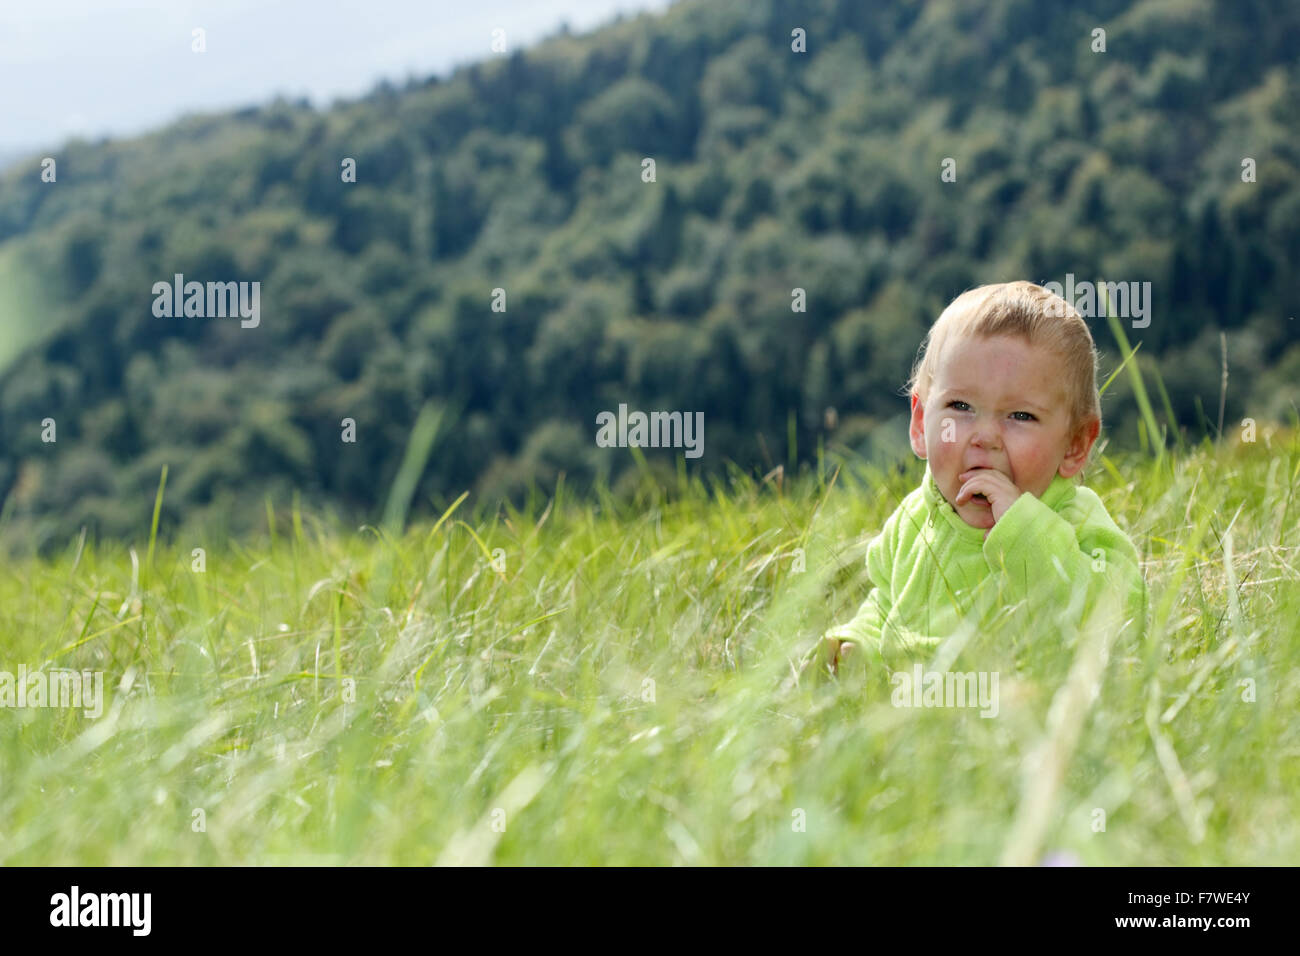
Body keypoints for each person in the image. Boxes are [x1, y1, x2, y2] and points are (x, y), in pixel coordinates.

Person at [825, 281, 1146, 673]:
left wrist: (1023, 532)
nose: (985, 437)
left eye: (1021, 416)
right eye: (960, 406)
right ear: (921, 421)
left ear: (1075, 445)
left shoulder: (1074, 522)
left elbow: (1124, 615)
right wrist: (861, 644)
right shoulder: (912, 521)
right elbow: (888, 605)